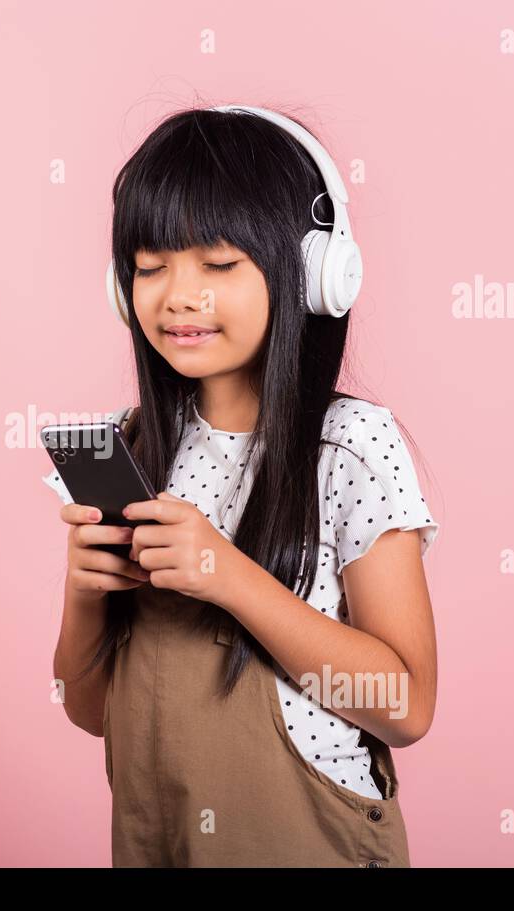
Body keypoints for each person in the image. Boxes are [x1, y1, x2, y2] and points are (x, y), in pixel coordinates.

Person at [43, 104, 441, 867]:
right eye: (151, 267)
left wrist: (227, 576)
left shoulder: (349, 448)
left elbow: (407, 705)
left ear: (315, 273)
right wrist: (84, 590)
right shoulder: (132, 445)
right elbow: (94, 713)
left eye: (218, 265)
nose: (178, 295)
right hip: (156, 841)